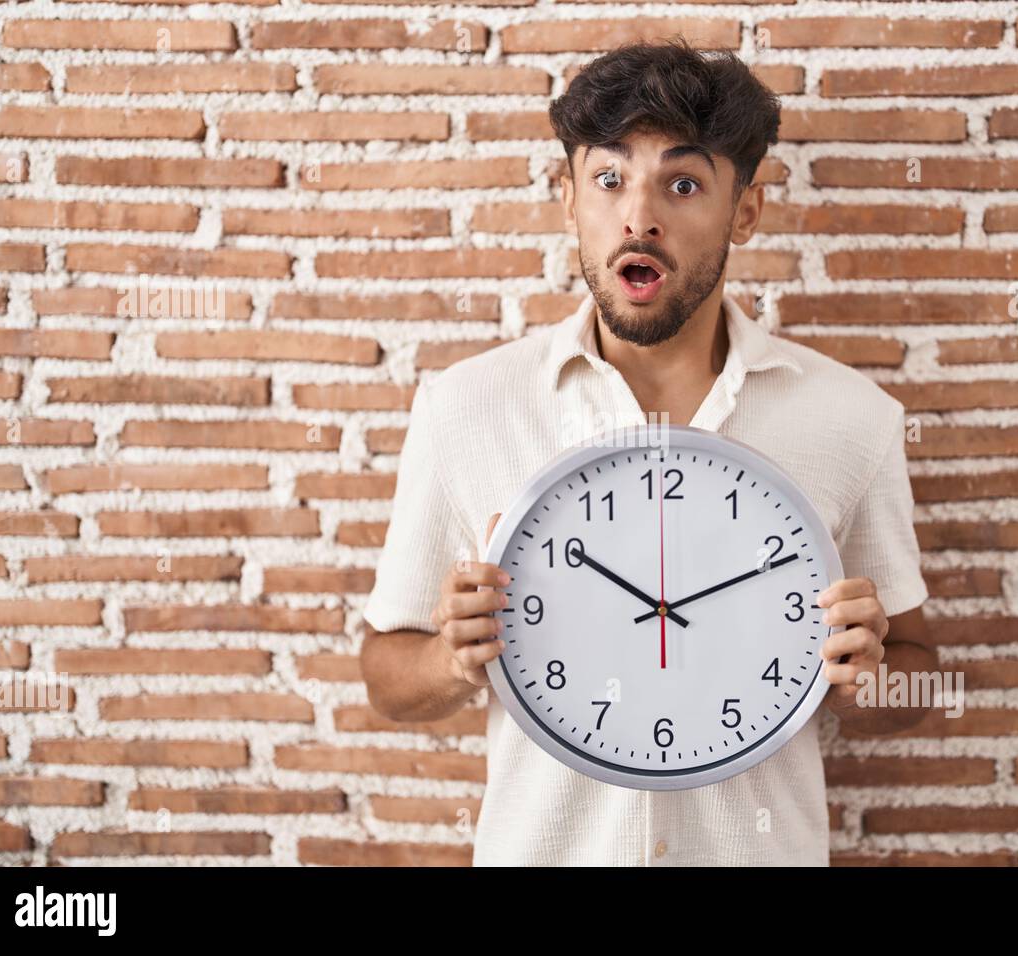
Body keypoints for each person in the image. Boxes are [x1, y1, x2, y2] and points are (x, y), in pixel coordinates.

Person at [360, 37, 937, 866]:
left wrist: (870, 675)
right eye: (608, 179)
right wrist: (454, 660)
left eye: (683, 182)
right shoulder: (467, 407)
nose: (639, 216)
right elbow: (384, 675)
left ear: (745, 211)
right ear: (568, 199)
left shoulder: (852, 416)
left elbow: (914, 673)